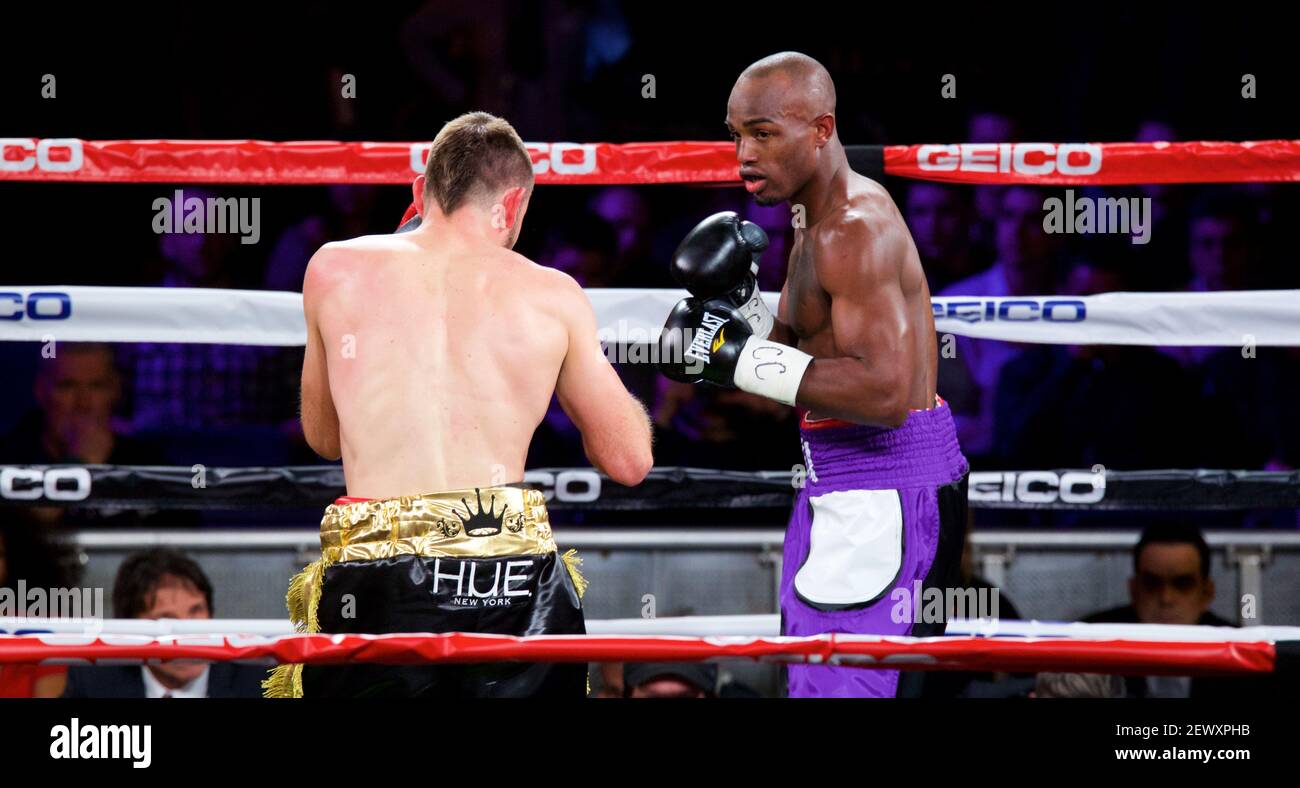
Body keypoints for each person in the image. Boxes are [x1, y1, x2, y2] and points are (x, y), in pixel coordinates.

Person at [268, 111, 653, 698]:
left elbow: (323, 437)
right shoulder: (553, 294)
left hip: (378, 575)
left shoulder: (334, 267)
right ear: (516, 203)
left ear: (420, 192)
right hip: (511, 581)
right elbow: (629, 460)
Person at [658, 52, 967, 698]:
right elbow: (800, 372)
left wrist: (736, 357)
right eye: (736, 134)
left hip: (882, 489)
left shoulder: (853, 230)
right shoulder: (813, 222)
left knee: (840, 691)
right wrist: (739, 313)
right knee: (813, 681)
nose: (743, 154)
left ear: (822, 131)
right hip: (839, 480)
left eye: (764, 134)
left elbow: (881, 392)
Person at [61, 548, 265, 698]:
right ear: (131, 631)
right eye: (167, 620)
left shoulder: (261, 681)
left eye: (196, 612)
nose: (189, 636)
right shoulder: (94, 681)